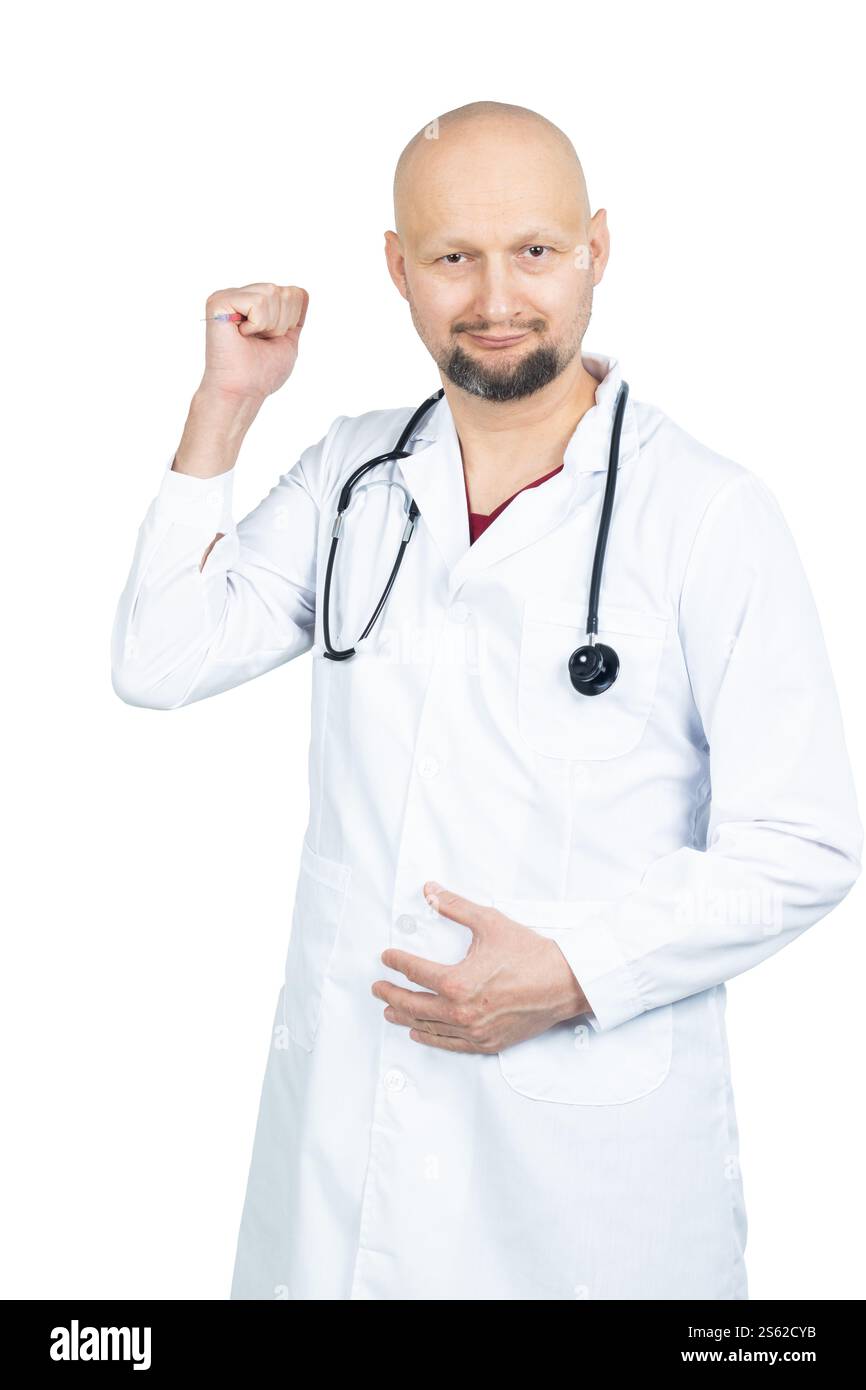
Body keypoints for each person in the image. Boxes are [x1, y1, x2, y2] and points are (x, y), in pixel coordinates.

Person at [110, 100, 862, 1301]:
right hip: (341, 1154)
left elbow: (804, 840)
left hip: (583, 1182)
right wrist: (227, 405)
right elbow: (158, 658)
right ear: (397, 270)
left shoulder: (706, 512)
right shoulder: (351, 474)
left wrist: (576, 968)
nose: (495, 296)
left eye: (535, 251)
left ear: (596, 252)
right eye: (453, 257)